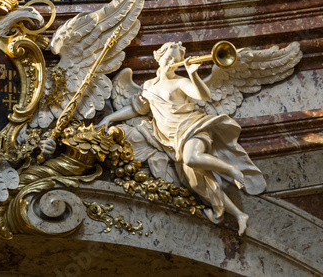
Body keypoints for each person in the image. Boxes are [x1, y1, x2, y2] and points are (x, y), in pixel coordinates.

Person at [100, 42, 264, 234]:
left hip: (193, 128)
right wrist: (109, 117)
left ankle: (231, 168)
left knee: (192, 158)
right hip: (171, 140)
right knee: (199, 183)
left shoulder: (180, 82)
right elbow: (137, 109)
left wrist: (193, 74)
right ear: (158, 57)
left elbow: (203, 95)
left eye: (176, 60)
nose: (171, 62)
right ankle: (237, 214)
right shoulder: (148, 86)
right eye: (168, 57)